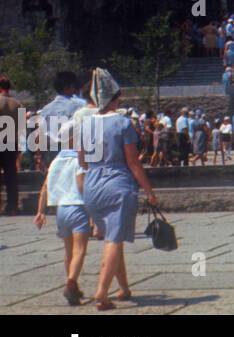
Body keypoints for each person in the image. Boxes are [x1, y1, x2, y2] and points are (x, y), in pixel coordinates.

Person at [78, 69, 159, 311]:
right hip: (117, 184)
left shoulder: (85, 125)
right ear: (114, 98)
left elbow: (82, 161)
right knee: (114, 239)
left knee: (115, 237)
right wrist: (150, 192)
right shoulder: (123, 123)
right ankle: (102, 292)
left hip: (92, 186)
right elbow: (134, 163)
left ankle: (123, 288)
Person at [33, 123, 90, 306]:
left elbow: (45, 187)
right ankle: (71, 283)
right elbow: (82, 184)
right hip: (78, 207)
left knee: (68, 251)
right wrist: (92, 206)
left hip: (61, 211)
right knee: (80, 249)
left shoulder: (56, 161)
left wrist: (40, 211)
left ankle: (73, 285)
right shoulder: (79, 160)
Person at [0, 77, 22, 215]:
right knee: (11, 176)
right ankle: (12, 206)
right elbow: (21, 127)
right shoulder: (18, 103)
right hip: (11, 142)